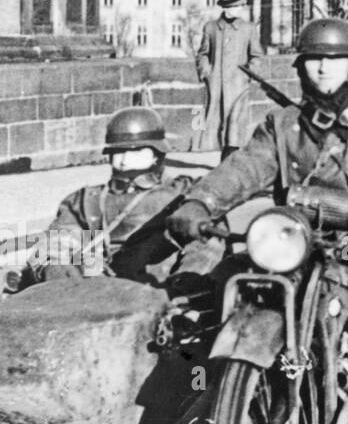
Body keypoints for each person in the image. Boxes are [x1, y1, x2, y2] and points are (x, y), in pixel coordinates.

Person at [167, 18, 348, 424]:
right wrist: (201, 201)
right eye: (313, 59)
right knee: (221, 285)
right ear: (300, 67)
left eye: (334, 59)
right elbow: (246, 167)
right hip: (300, 242)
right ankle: (216, 395)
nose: (322, 68)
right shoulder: (284, 124)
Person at [8, 107, 217, 292]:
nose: (125, 159)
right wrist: (56, 268)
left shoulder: (181, 194)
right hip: (92, 289)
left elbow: (204, 241)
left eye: (136, 151)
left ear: (156, 155)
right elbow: (59, 238)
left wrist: (183, 285)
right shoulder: (88, 199)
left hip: (155, 288)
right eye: (118, 151)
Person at [194, 0, 264, 159]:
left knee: (235, 125)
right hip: (216, 85)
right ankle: (219, 156)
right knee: (214, 123)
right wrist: (206, 72)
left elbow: (256, 56)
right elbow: (202, 54)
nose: (239, 9)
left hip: (238, 86)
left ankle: (230, 157)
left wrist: (247, 74)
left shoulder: (248, 28)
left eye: (240, 6)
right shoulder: (211, 28)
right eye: (235, 6)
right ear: (226, 8)